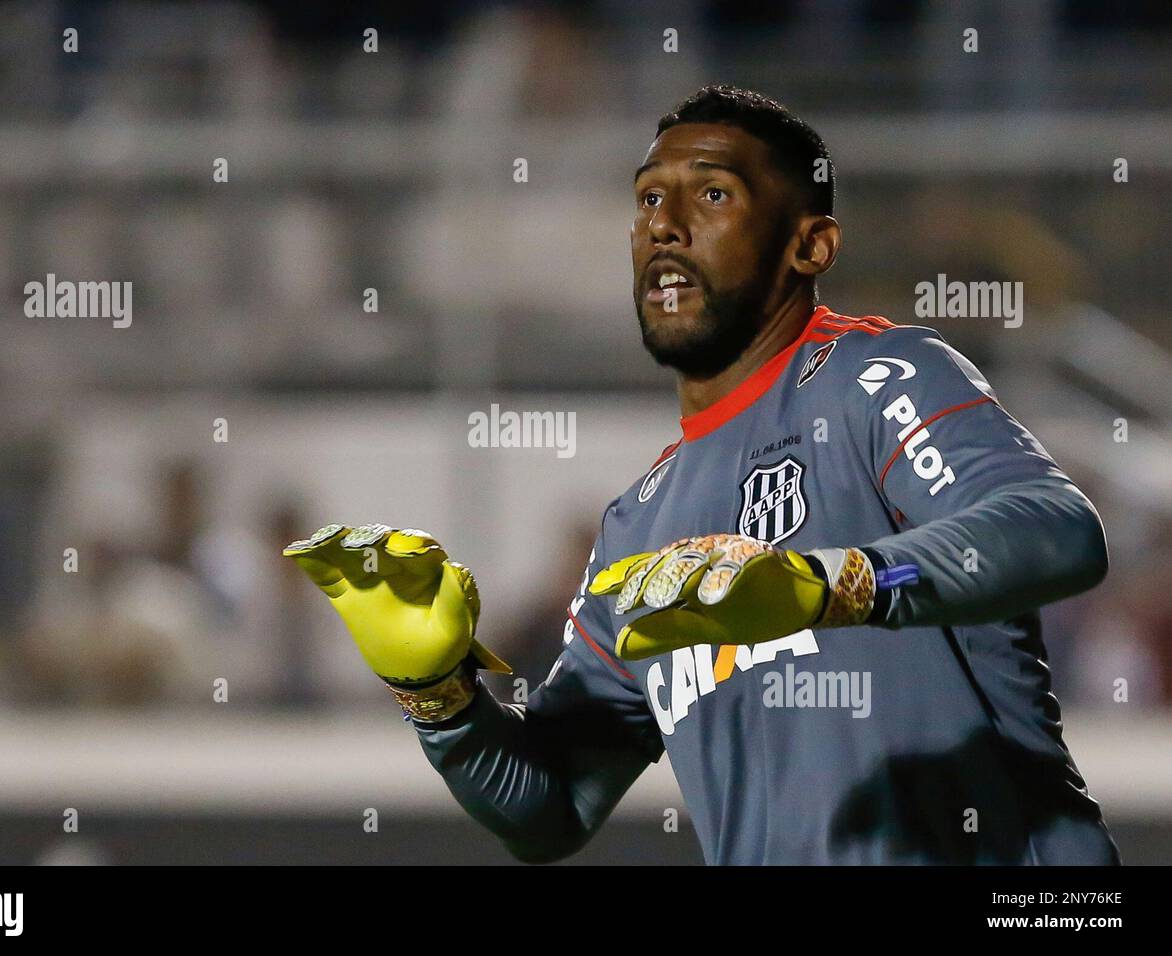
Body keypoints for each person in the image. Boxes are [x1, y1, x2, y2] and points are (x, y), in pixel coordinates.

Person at [286, 86, 1119, 865]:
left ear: (810, 244)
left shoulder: (878, 376)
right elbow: (551, 806)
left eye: (712, 195)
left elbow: (1057, 529)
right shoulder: (639, 525)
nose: (666, 226)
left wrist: (841, 581)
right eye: (649, 198)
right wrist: (439, 695)